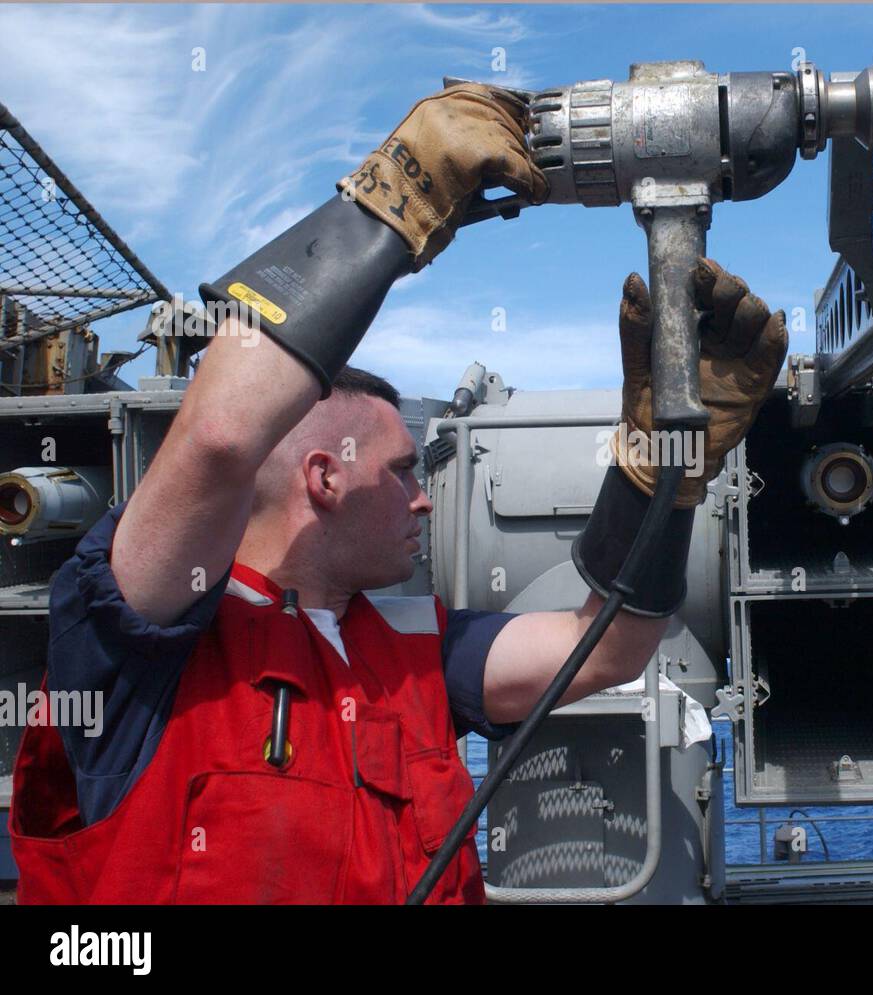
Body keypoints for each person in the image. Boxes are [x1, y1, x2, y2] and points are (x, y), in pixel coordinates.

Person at [8, 83, 787, 904]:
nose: (424, 499)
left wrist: (661, 463)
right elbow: (219, 439)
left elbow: (611, 646)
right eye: (404, 471)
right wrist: (397, 197)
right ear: (324, 477)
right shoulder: (142, 636)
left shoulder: (417, 650)